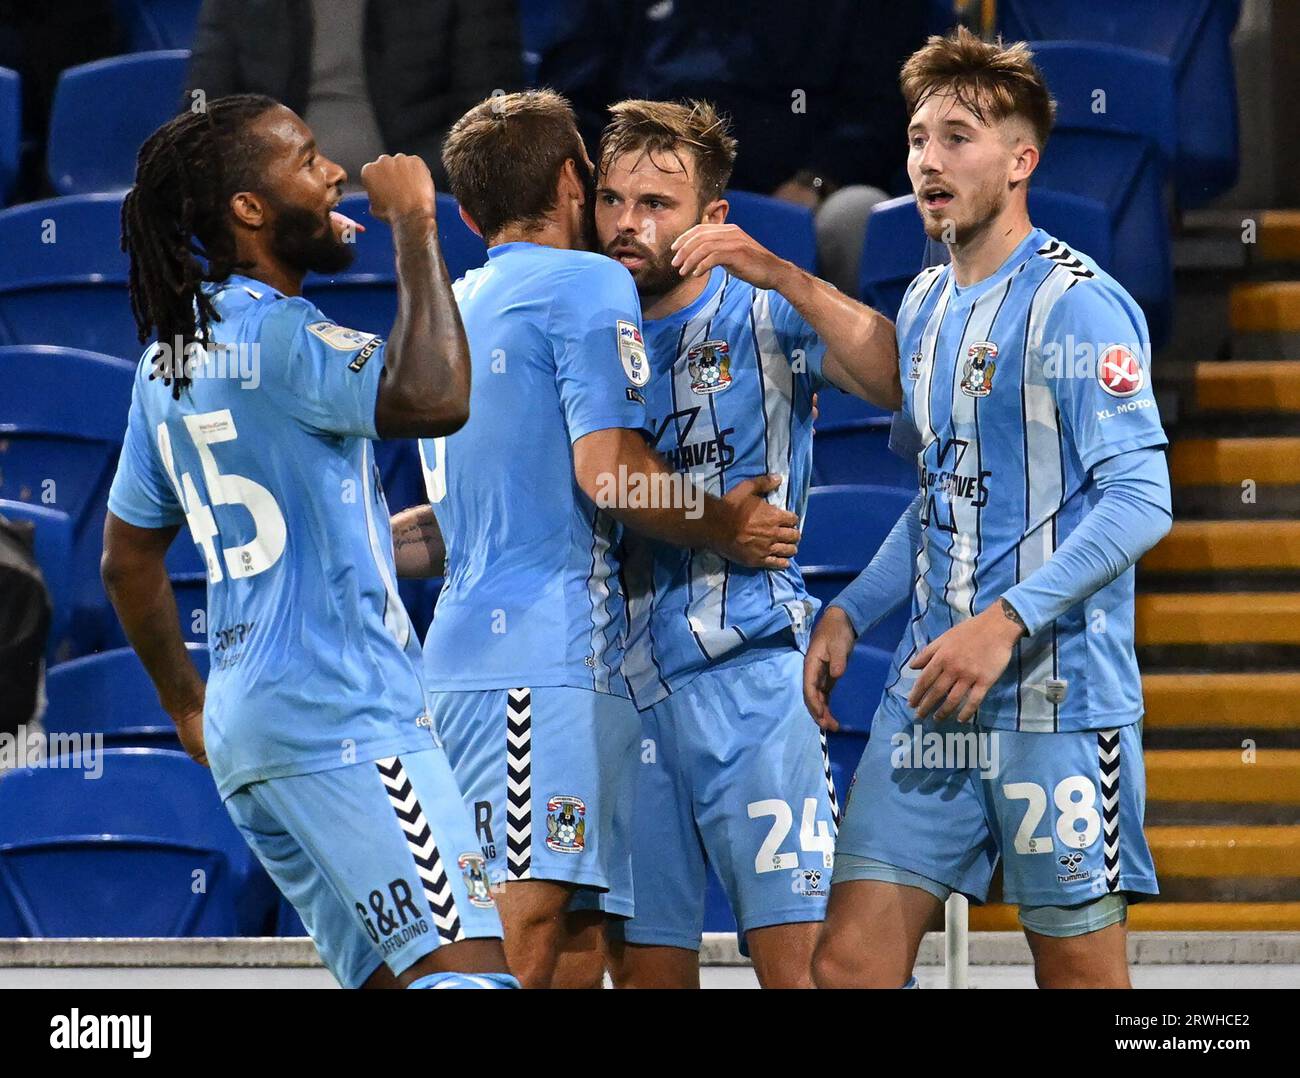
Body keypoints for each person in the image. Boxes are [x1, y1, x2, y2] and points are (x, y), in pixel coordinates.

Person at [389, 89, 802, 989]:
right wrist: (724, 522)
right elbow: (608, 473)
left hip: (475, 663)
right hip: (541, 667)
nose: (621, 221)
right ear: (576, 183)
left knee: (576, 945)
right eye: (607, 194)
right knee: (522, 938)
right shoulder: (588, 283)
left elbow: (454, 524)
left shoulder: (452, 311)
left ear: (470, 213)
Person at [101, 95, 515, 989]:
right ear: (248, 208)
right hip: (345, 722)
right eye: (308, 157)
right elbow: (436, 396)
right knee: (473, 977)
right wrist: (414, 221)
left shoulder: (170, 354)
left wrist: (187, 705)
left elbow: (127, 559)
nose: (336, 173)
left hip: (255, 734)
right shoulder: (284, 337)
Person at [804, 28, 1173, 989]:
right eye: (919, 136)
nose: (928, 158)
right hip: (931, 693)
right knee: (845, 966)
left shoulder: (1080, 305)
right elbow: (937, 495)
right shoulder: (923, 301)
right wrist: (851, 610)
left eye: (958, 136)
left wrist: (1004, 624)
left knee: (1083, 981)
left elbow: (1142, 501)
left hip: (1055, 702)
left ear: (1022, 161)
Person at [591, 99, 901, 988]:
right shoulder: (583, 335)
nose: (627, 224)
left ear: (712, 221)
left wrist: (783, 273)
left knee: (800, 972)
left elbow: (891, 379)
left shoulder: (762, 313)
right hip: (623, 694)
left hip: (754, 685)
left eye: (657, 204)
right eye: (613, 200)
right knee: (650, 977)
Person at [185, 0, 522, 187]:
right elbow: (200, 122)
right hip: (278, 204)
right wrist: (277, 185)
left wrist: (408, 190)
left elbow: (491, 129)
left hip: (419, 199)